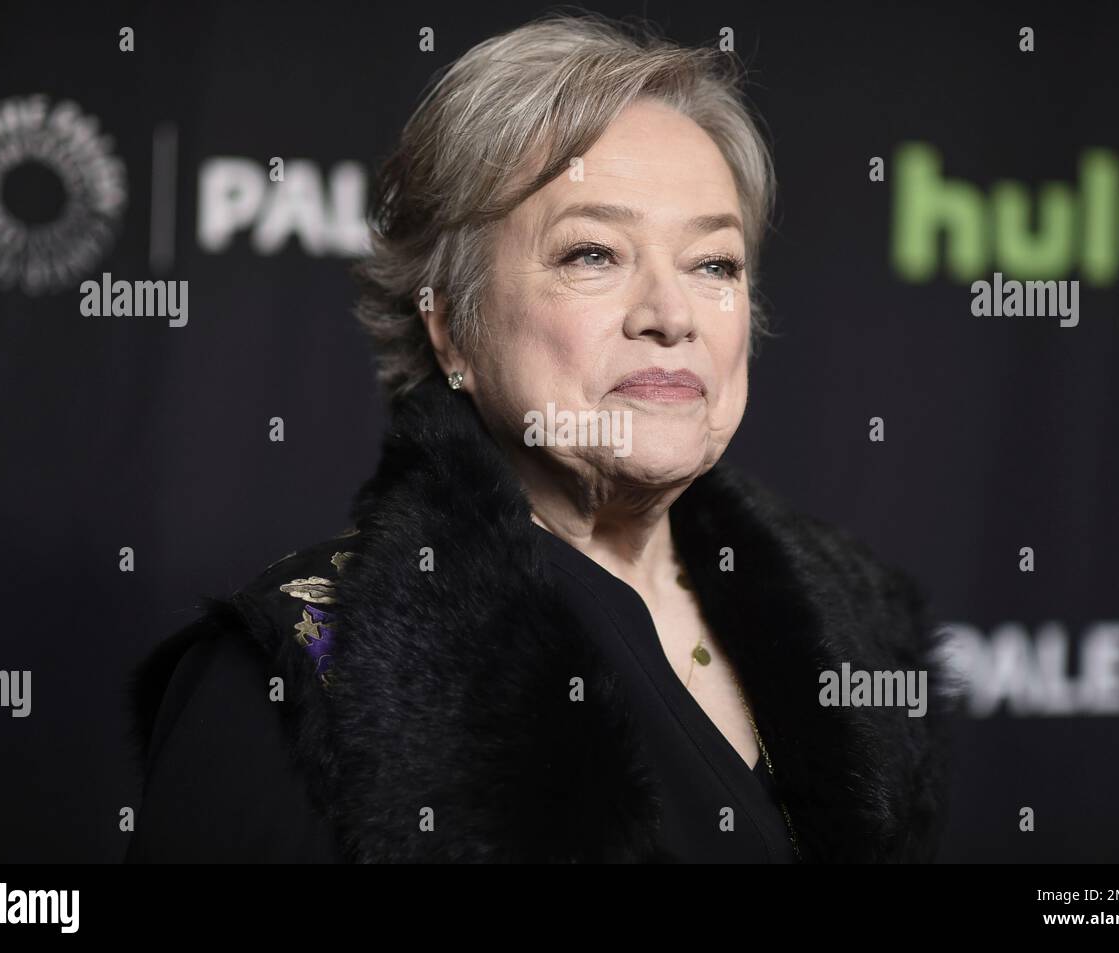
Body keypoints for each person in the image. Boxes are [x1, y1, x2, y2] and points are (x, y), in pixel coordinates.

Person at [124, 11, 953, 864]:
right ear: (451, 328)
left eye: (714, 264)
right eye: (593, 253)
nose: (670, 316)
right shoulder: (309, 673)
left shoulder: (859, 622)